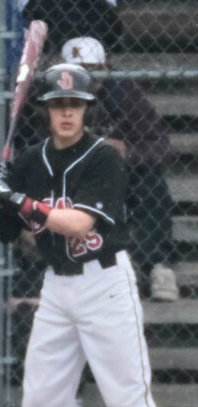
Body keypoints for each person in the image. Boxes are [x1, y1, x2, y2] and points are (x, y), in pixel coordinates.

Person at [0, 63, 198, 407]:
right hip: (56, 288)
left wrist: (18, 198)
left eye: (75, 105)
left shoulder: (105, 158)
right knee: (40, 402)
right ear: (45, 110)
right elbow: (10, 233)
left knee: (128, 402)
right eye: (59, 105)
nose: (67, 112)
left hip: (106, 284)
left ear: (86, 110)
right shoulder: (32, 160)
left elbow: (79, 225)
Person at [61, 36, 180, 302]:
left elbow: (159, 145)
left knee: (152, 184)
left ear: (106, 67)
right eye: (79, 72)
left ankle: (159, 266)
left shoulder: (124, 93)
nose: (88, 78)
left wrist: (126, 151)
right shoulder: (53, 98)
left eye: (93, 69)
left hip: (124, 172)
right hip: (76, 176)